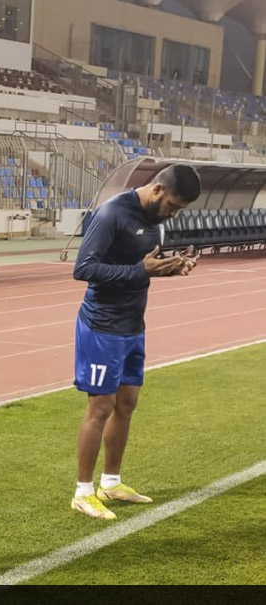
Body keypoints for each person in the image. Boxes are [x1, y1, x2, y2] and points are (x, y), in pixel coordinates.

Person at [70, 164, 201, 520]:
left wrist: (171, 267)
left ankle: (110, 483)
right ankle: (82, 492)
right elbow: (83, 268)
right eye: (173, 205)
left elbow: (142, 267)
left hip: (132, 325)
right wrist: (141, 271)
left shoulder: (155, 219)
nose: (173, 214)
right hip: (102, 326)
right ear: (158, 190)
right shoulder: (112, 213)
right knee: (100, 408)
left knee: (126, 404)